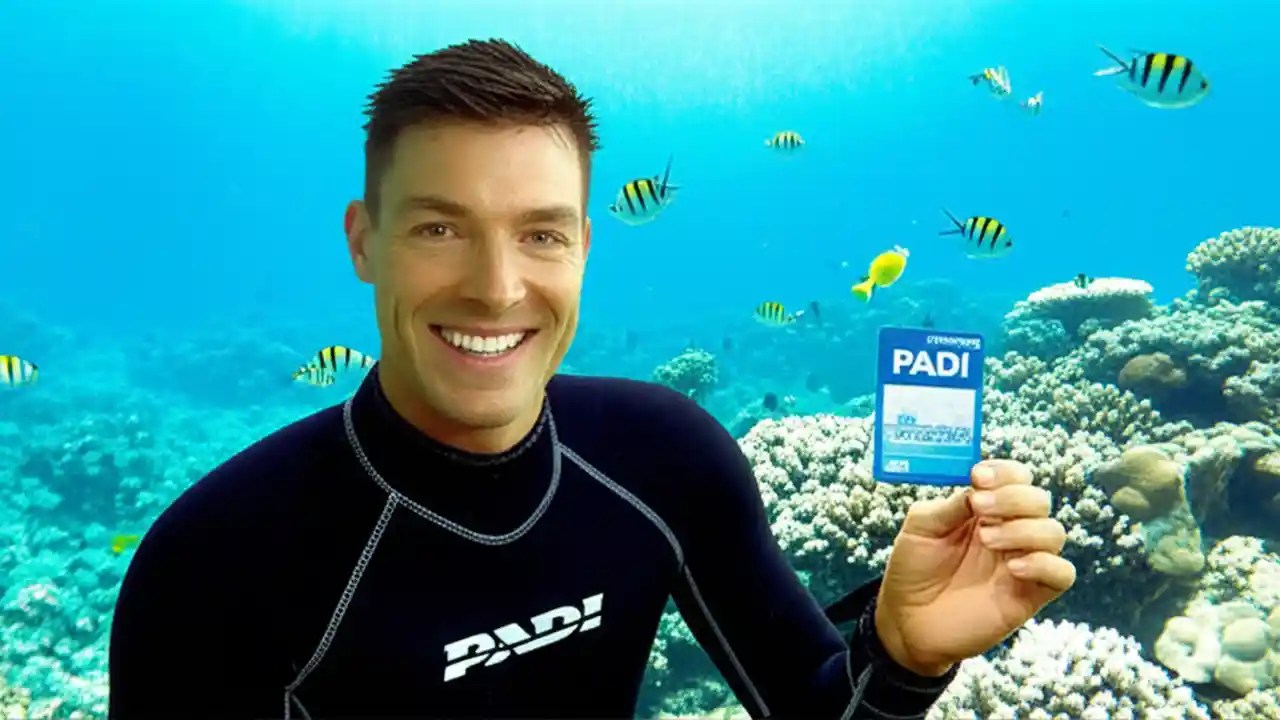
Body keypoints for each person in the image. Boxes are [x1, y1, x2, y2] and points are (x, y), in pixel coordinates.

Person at [107, 38, 1075, 719]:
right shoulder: (211, 566)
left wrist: (902, 657)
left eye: (540, 233)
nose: (495, 289)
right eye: (439, 228)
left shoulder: (665, 458)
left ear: (584, 248)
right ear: (364, 243)